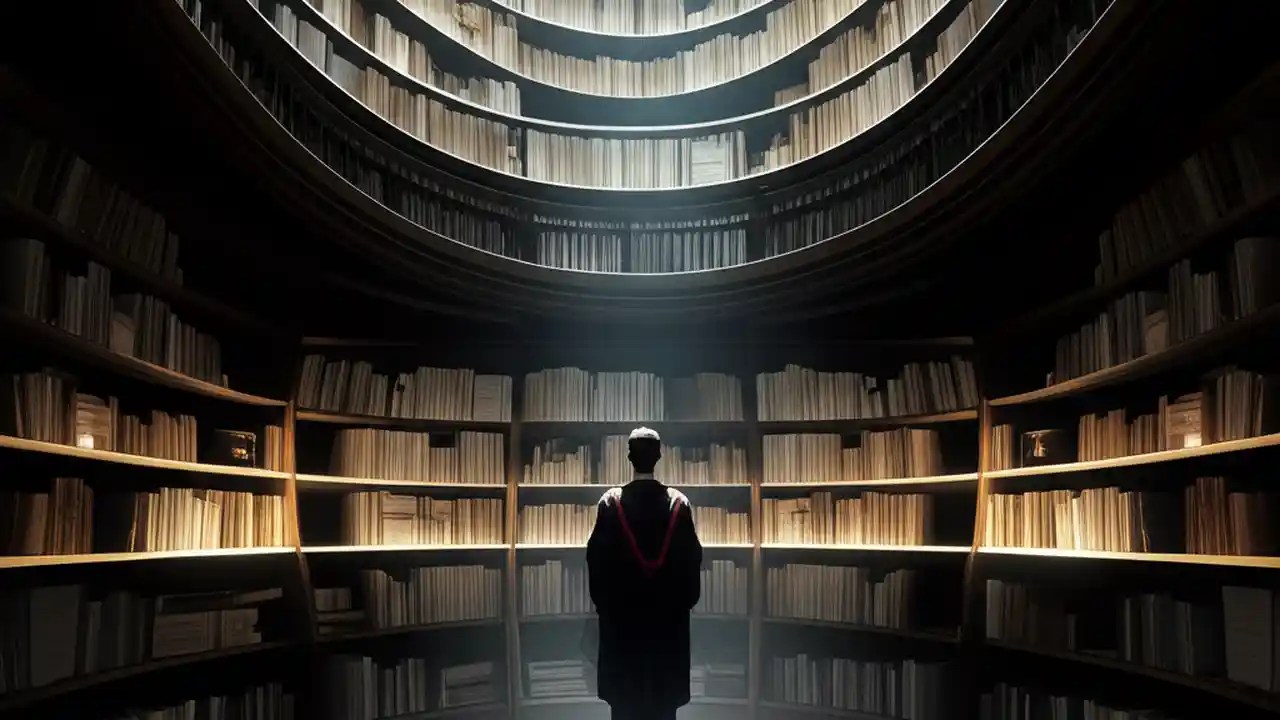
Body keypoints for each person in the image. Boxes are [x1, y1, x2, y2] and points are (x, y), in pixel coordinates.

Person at [586, 426, 703, 720]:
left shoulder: (609, 503)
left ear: (629, 457)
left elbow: (596, 568)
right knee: (664, 711)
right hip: (667, 635)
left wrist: (610, 610)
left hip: (622, 636)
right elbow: (692, 576)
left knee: (623, 709)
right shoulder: (679, 504)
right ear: (659, 456)